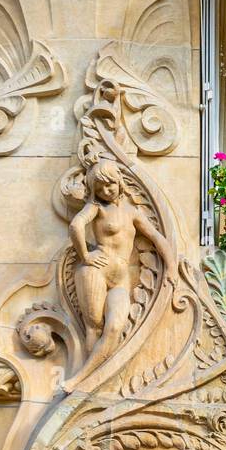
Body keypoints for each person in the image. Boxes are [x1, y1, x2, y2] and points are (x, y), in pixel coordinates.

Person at [68, 159, 174, 381]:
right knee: (94, 327)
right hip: (96, 270)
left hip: (121, 278)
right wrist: (85, 256)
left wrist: (172, 268)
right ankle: (87, 381)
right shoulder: (96, 207)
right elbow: (76, 225)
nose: (107, 190)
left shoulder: (132, 212)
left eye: (110, 184)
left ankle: (86, 378)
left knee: (115, 326)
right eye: (100, 188)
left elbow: (156, 237)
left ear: (119, 182)